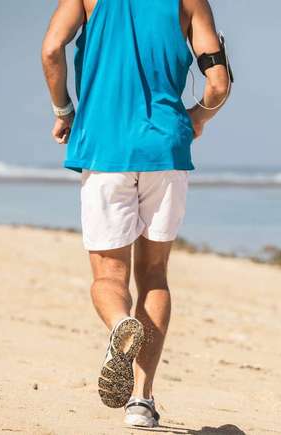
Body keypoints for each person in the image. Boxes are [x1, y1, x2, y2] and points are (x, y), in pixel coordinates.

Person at [41, 0, 230, 428]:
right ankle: (141, 402)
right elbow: (217, 83)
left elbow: (52, 49)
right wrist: (197, 118)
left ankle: (121, 325)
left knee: (109, 276)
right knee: (155, 275)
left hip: (104, 147)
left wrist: (63, 111)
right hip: (166, 148)